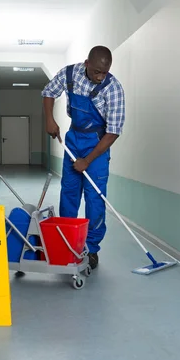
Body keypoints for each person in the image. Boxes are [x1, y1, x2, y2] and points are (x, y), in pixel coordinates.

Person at [41, 45, 125, 269]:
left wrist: (87, 160)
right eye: (96, 71)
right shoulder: (70, 74)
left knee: (95, 198)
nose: (100, 76)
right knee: (69, 193)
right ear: (87, 63)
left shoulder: (113, 89)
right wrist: (49, 119)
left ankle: (91, 249)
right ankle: (67, 241)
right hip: (74, 139)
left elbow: (113, 131)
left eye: (104, 73)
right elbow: (49, 92)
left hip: (98, 142)